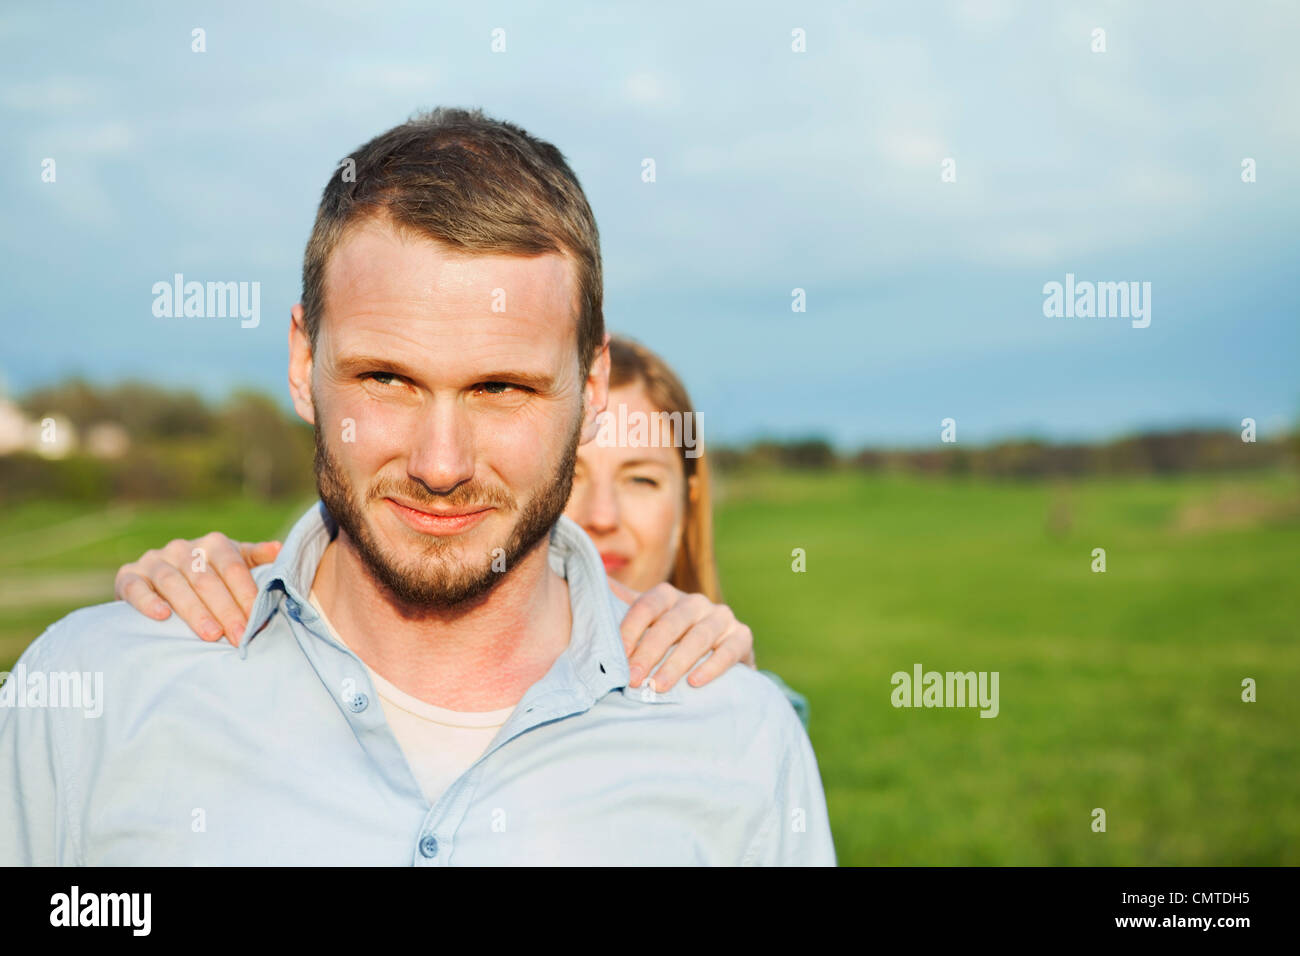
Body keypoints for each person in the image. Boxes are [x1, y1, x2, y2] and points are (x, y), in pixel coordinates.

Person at [0, 107, 835, 865]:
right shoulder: (90, 700)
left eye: (500, 388)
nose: (441, 466)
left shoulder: (737, 743)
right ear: (302, 362)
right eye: (388, 379)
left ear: (592, 382)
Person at [111, 335, 811, 722]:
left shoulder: (744, 712)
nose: (602, 515)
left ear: (690, 502)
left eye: (642, 479)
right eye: (574, 473)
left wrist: (735, 704)